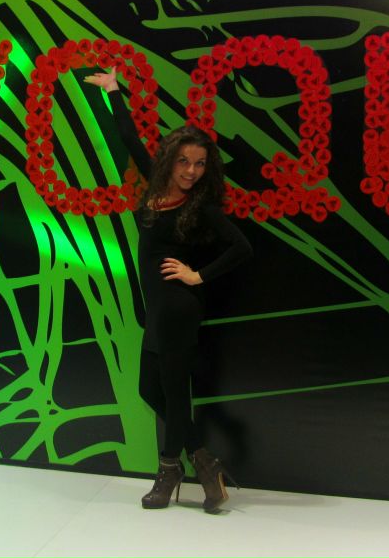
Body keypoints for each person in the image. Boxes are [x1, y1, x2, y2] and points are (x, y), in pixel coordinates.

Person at [84, 68, 252, 514]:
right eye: (184, 162)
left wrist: (198, 275)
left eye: (199, 164)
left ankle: (168, 472)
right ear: (170, 160)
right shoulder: (156, 185)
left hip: (178, 309)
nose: (191, 171)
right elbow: (128, 136)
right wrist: (114, 90)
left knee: (176, 396)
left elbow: (242, 247)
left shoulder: (201, 206)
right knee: (150, 389)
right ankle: (205, 461)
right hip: (158, 310)